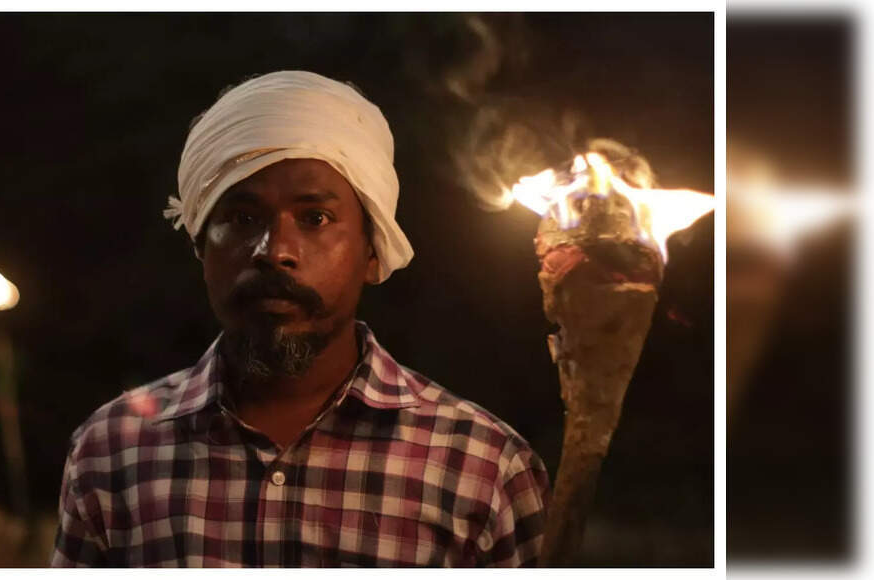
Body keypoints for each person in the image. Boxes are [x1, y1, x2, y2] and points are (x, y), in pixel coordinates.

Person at [51, 70, 549, 567]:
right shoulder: (112, 453)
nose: (276, 252)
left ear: (372, 252)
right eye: (242, 219)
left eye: (315, 218)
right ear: (200, 245)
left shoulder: (482, 467)